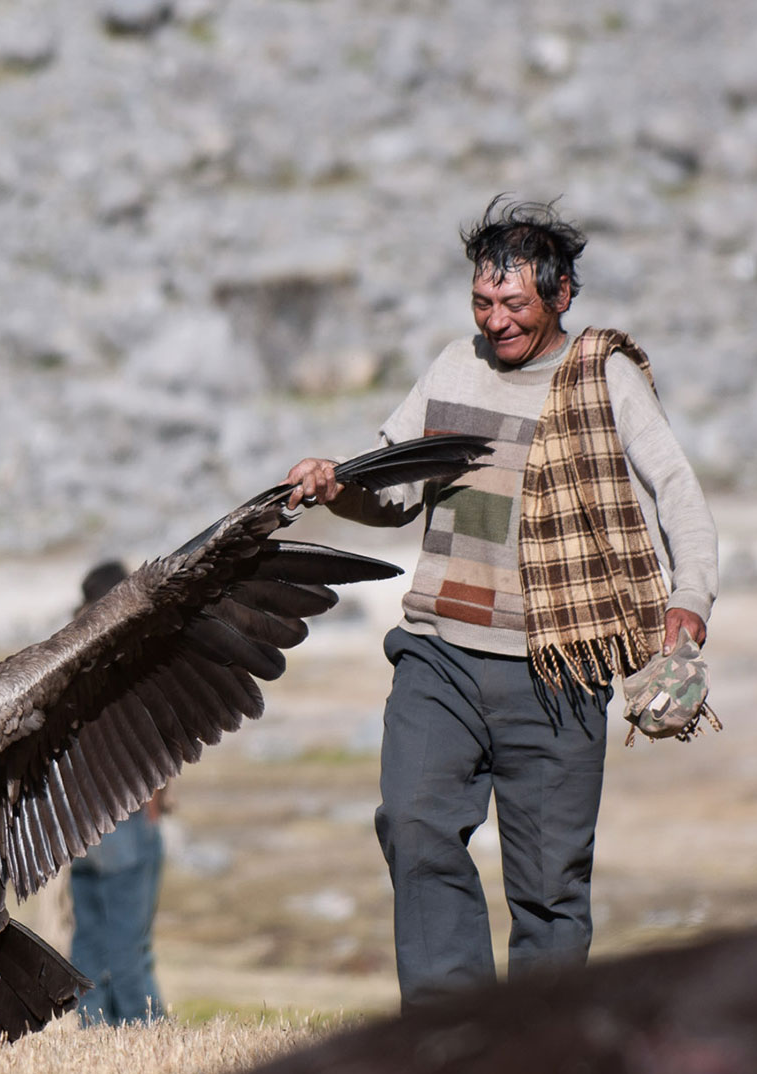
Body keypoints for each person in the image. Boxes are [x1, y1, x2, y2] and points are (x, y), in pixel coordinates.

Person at [281, 198, 718, 1009]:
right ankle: (450, 1040)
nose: (496, 321)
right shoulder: (453, 370)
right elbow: (396, 488)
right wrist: (339, 485)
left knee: (551, 886)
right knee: (414, 829)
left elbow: (678, 492)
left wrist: (688, 600)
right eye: (483, 304)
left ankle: (538, 1055)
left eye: (514, 304)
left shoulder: (606, 381)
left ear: (561, 295)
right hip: (437, 656)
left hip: (557, 669)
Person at [67, 560, 168, 1026]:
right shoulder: (131, 660)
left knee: (88, 943)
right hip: (124, 821)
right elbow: (162, 736)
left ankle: (94, 1035)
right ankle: (147, 1038)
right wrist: (155, 803)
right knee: (131, 951)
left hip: (79, 827)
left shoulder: (65, 665)